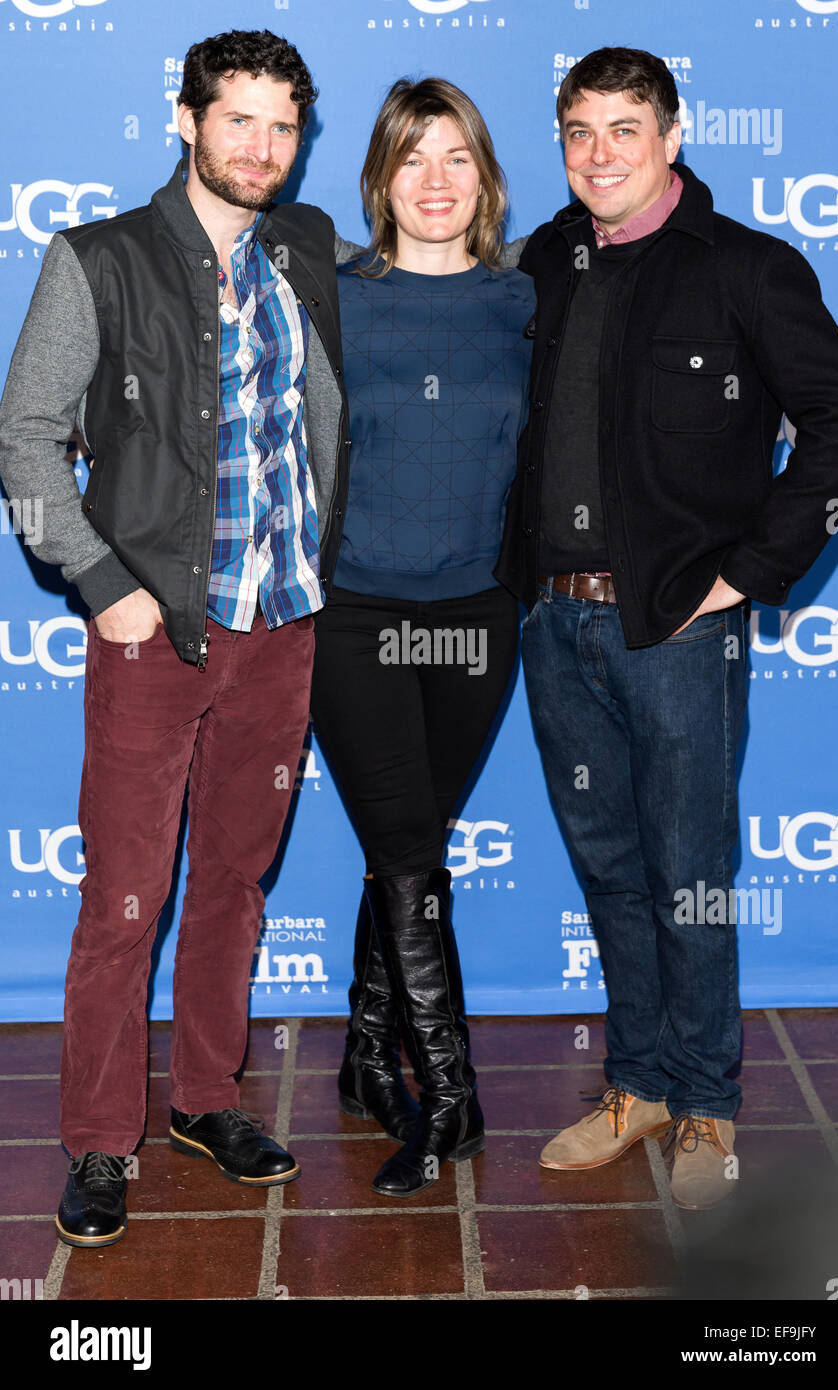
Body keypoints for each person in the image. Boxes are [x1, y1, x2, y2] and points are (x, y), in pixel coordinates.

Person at [494, 46, 838, 1209]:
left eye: (622, 128)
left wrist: (745, 576)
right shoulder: (541, 263)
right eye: (577, 130)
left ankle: (707, 1105)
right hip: (553, 625)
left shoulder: (746, 269)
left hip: (675, 632)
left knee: (690, 878)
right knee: (608, 868)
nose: (598, 152)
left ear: (670, 134)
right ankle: (639, 1082)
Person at [0, 29, 350, 1247]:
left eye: (282, 125)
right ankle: (101, 1139)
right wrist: (103, 581)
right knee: (125, 895)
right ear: (187, 119)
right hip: (153, 636)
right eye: (237, 118)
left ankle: (206, 1099)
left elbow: (434, 275)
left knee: (233, 886)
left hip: (283, 626)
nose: (259, 146)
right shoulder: (95, 258)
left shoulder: (306, 250)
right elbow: (26, 439)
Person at [313, 78, 534, 1197]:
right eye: (413, 159)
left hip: (475, 619)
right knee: (407, 850)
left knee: (412, 842)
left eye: (456, 158)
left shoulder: (523, 302)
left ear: (485, 178)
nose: (435, 181)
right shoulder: (334, 297)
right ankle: (449, 1095)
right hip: (352, 612)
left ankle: (362, 1053)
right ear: (380, 178)